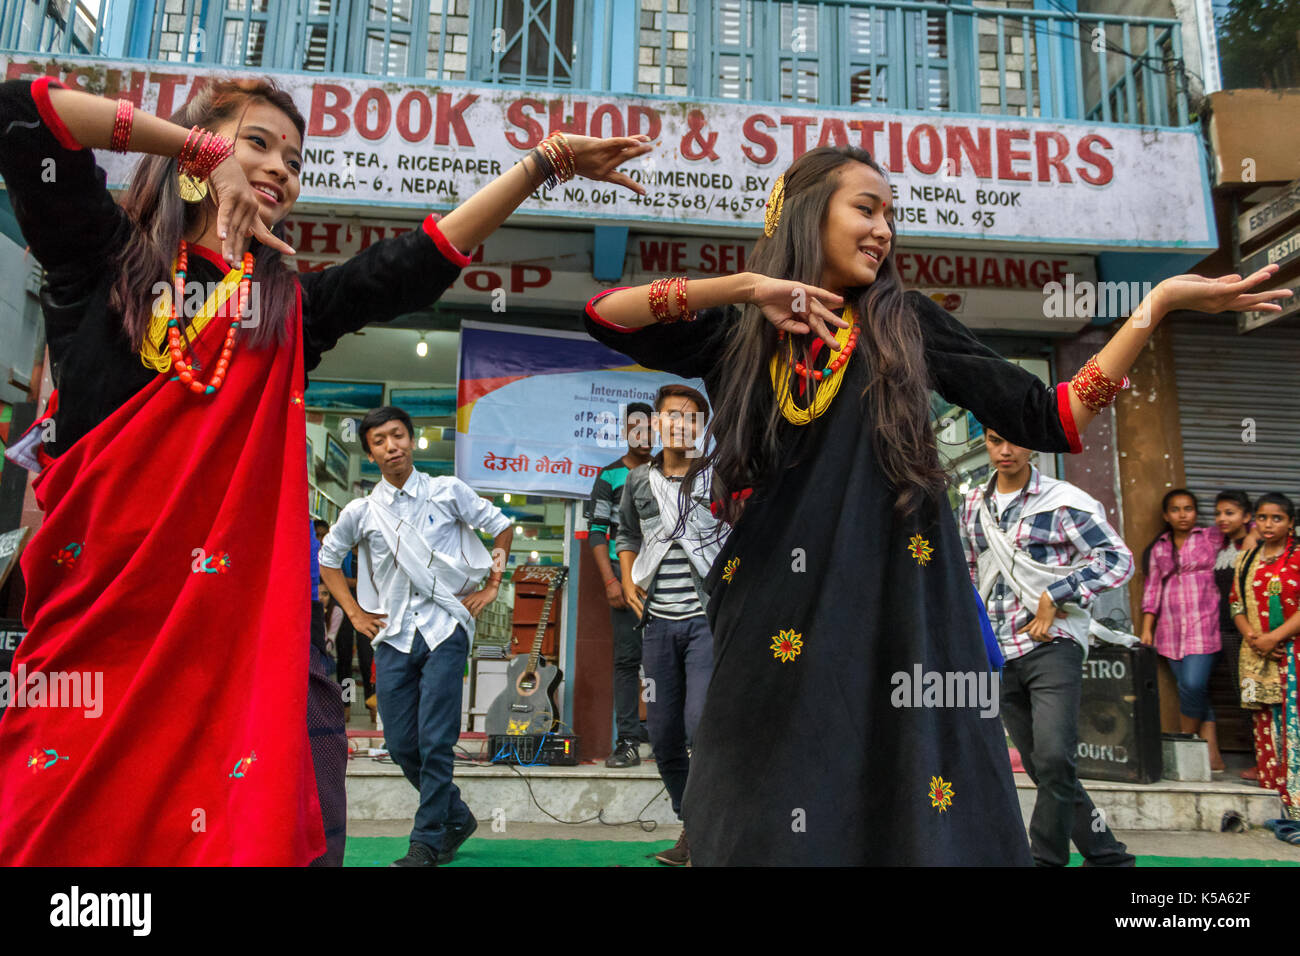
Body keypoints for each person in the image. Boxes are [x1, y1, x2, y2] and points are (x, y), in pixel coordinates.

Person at [0, 71, 650, 865]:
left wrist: (543, 162)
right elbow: (21, 112)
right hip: (101, 632)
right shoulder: (104, 262)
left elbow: (421, 258)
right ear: (201, 155)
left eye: (296, 160)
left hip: (247, 649)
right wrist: (197, 144)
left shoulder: (288, 312)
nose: (281, 169)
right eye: (259, 144)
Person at [581, 144, 1292, 865]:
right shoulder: (739, 330)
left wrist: (1157, 305)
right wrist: (744, 288)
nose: (884, 229)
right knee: (755, 798)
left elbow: (1056, 418)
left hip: (894, 603)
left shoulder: (906, 321)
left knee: (900, 789)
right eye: (866, 208)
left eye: (892, 215)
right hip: (765, 605)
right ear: (801, 211)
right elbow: (606, 317)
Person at [318, 406, 515, 867]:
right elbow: (329, 559)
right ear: (370, 454)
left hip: (446, 628)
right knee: (403, 744)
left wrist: (492, 584)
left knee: (436, 739)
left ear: (412, 439)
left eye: (398, 436)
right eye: (380, 442)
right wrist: (354, 612)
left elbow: (501, 525)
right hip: (392, 635)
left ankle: (425, 841)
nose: (392, 447)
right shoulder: (361, 511)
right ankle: (457, 815)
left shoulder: (447, 492)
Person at [959, 429, 1136, 867]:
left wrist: (1058, 592)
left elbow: (1118, 559)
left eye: (1015, 441)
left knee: (1056, 756)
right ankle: (1109, 857)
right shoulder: (970, 507)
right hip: (999, 650)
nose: (1005, 450)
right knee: (1045, 768)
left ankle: (1045, 860)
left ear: (1033, 445)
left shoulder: (1063, 501)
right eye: (996, 440)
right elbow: (965, 573)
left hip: (1052, 644)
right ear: (985, 441)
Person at [616, 384, 725, 866]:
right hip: (658, 624)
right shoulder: (639, 481)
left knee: (699, 723)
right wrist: (625, 577)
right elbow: (626, 532)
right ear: (655, 425)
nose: (680, 425)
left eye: (690, 418)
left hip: (706, 622)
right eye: (671, 417)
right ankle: (692, 826)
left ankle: (710, 828)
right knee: (660, 734)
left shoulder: (718, 478)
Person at [584, 400, 653, 768]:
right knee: (628, 658)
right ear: (626, 433)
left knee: (666, 657)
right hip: (622, 572)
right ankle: (627, 741)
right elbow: (597, 533)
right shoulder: (609, 476)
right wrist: (611, 581)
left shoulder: (667, 472)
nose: (644, 437)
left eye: (649, 429)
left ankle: (669, 736)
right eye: (636, 429)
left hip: (661, 574)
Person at [1140, 489, 1228, 771]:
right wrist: (1146, 629)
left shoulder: (1212, 537)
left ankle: (1185, 741)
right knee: (1191, 690)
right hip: (1170, 629)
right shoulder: (1160, 547)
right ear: (1167, 515)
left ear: (1195, 513)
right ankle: (1211, 755)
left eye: (1188, 509)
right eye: (1176, 510)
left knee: (1193, 684)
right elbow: (1152, 588)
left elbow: (1244, 531)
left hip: (1205, 626)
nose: (1182, 515)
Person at [1231, 492, 1300, 818]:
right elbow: (1236, 604)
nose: (1269, 524)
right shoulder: (1246, 558)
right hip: (1258, 653)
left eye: (1277, 518)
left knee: (1294, 719)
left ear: (1290, 523)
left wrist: (1275, 636)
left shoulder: (1298, 556)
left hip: (1294, 652)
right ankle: (1273, 789)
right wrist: (1255, 638)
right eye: (1262, 517)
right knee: (1265, 719)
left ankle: (1295, 794)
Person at [1211, 490, 1259, 779]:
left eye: (1229, 513)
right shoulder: (1223, 547)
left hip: (1252, 633)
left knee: (1259, 695)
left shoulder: (1254, 543)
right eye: (1218, 513)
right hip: (1229, 630)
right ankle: (1261, 759)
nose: (1221, 519)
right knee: (1245, 696)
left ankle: (1272, 762)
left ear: (1247, 516)